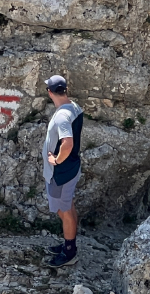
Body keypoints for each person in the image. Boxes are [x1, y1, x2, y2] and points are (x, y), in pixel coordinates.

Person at [41, 74, 83, 268]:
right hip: (71, 168)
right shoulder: (74, 108)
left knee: (63, 211)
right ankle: (69, 243)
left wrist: (56, 160)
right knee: (68, 206)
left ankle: (69, 253)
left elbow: (67, 142)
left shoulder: (62, 116)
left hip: (61, 173)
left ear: (50, 92)